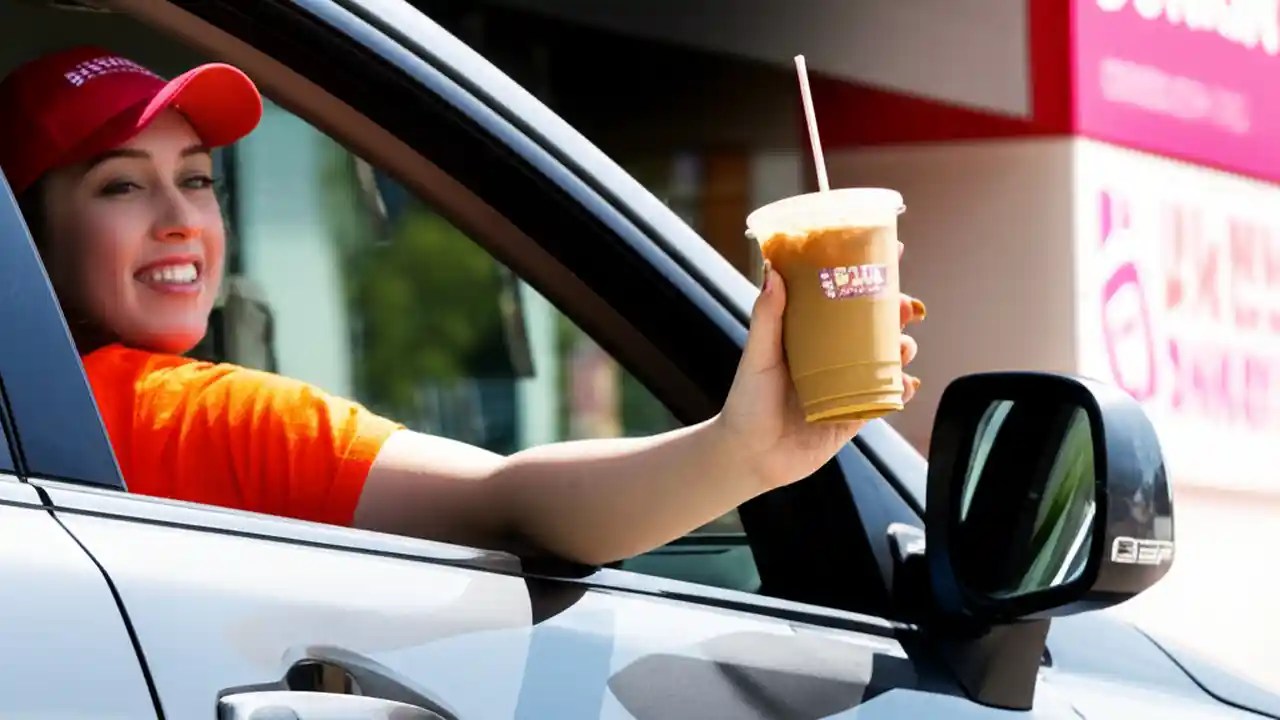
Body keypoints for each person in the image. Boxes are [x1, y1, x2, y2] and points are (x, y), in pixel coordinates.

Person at [0, 46, 925, 566]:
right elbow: (510, 504)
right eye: (121, 188)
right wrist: (742, 452)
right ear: (28, 237)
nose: (179, 222)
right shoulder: (187, 418)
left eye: (197, 181)